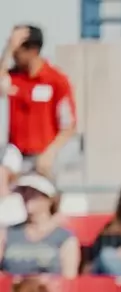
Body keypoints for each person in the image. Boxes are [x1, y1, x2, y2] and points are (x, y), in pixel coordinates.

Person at [2, 24, 76, 177]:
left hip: (42, 159)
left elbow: (69, 125)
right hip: (15, 157)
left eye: (18, 51)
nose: (14, 56)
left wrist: (50, 153)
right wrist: (8, 50)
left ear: (33, 50)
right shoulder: (14, 78)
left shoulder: (56, 80)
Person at [0, 173, 78, 276]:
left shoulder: (65, 238)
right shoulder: (7, 233)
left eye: (33, 192)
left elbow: (69, 279)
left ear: (49, 198)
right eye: (24, 191)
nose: (27, 195)